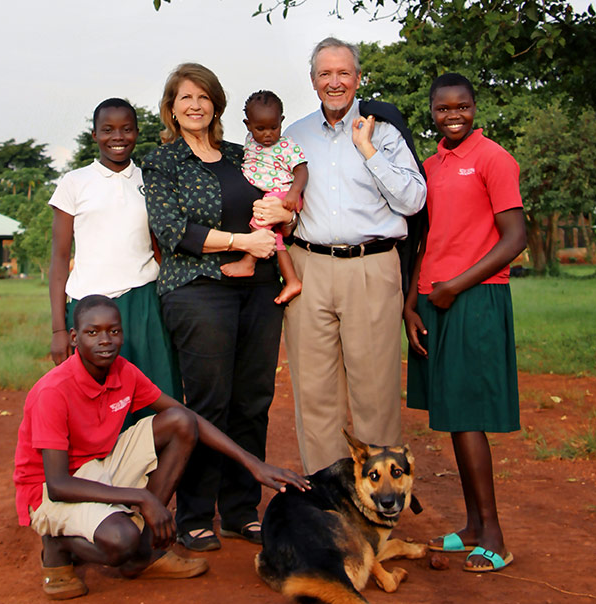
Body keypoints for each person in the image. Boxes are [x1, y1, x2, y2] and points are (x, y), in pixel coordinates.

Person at [13, 295, 308, 599]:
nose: (105, 341)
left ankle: (142, 552)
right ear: (74, 338)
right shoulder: (53, 391)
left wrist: (252, 463)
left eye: (113, 331)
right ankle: (58, 545)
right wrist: (142, 497)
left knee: (181, 422)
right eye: (92, 332)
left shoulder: (123, 371)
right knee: (122, 540)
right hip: (50, 490)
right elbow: (58, 485)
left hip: (100, 465)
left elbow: (187, 418)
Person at [253, 37, 427, 474]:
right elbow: (281, 199)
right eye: (325, 74)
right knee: (314, 393)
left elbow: (413, 201)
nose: (335, 82)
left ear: (358, 78)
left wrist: (368, 149)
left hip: (371, 267)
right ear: (313, 81)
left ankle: (379, 499)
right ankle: (327, 500)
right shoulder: (294, 136)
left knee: (375, 392)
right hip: (308, 268)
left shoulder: (383, 132)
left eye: (344, 73)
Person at [142, 63, 296, 552]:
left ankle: (240, 510)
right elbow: (172, 231)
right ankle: (193, 514)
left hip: (259, 289)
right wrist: (241, 242)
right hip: (197, 288)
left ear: (217, 104)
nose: (195, 105)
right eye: (185, 97)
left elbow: (277, 198)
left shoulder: (241, 154)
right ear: (171, 108)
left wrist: (284, 213)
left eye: (203, 97)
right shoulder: (162, 162)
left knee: (253, 400)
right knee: (209, 403)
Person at [403, 73, 526, 573]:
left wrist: (456, 285)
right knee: (454, 414)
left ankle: (493, 535)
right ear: (431, 112)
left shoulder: (494, 159)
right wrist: (411, 302)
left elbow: (515, 237)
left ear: (475, 107)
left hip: (475, 297)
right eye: (443, 108)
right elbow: (425, 238)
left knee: (469, 415)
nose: (453, 115)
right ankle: (473, 527)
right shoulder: (429, 166)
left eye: (462, 106)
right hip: (434, 299)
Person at [48, 97, 182, 427]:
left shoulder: (150, 179)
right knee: (99, 409)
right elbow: (60, 258)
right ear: (94, 134)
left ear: (137, 132)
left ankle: (159, 463)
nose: (117, 137)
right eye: (107, 130)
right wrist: (58, 329)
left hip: (144, 300)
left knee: (159, 400)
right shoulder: (74, 182)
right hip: (89, 306)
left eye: (126, 129)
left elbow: (161, 244)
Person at [220, 90, 307, 305]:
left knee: (258, 224)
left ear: (281, 121)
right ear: (248, 125)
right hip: (268, 194)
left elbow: (302, 170)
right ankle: (292, 280)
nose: (268, 134)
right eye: (260, 128)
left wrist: (293, 194)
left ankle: (248, 262)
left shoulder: (286, 145)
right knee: (276, 241)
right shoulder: (250, 141)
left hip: (282, 194)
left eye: (274, 127)